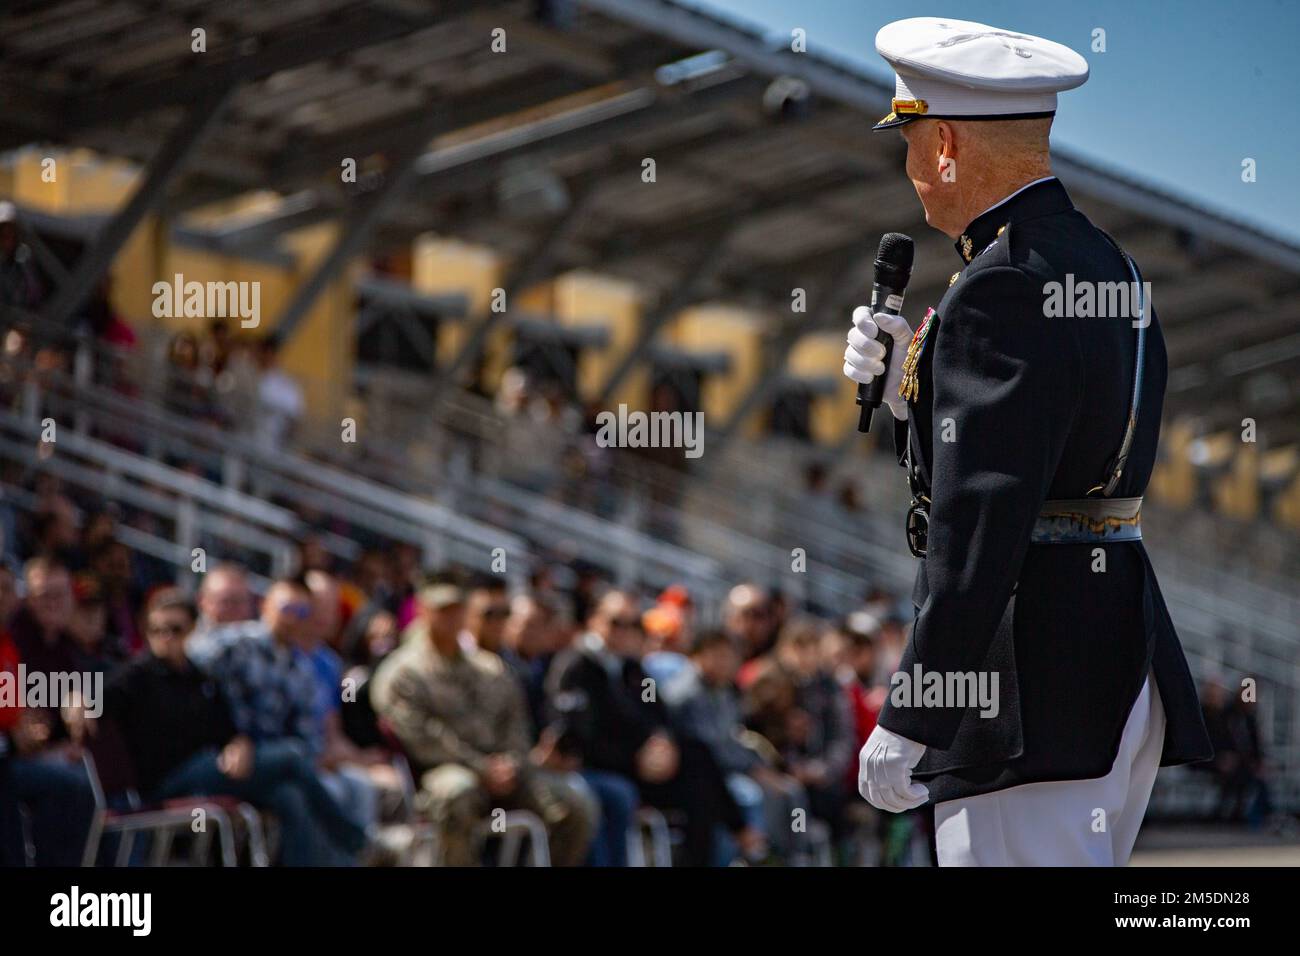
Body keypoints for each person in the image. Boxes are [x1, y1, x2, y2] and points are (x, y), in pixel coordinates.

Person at [843, 16, 1212, 866]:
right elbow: (1067, 446)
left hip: (1028, 680)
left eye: (909, 141)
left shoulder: (998, 284)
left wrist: (916, 708)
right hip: (1114, 649)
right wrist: (918, 385)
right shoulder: (1106, 263)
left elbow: (981, 520)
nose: (909, 172)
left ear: (942, 146)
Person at [370, 577, 594, 866]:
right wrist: (480, 767)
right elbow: (420, 737)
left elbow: (515, 726)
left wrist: (511, 763)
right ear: (425, 612)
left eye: (456, 609)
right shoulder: (403, 672)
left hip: (503, 772)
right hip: (441, 771)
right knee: (456, 792)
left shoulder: (490, 669)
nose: (451, 617)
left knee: (572, 805)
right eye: (442, 610)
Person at [547, 590, 757, 866]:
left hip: (642, 765)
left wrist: (661, 743)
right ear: (594, 620)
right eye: (616, 622)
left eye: (634, 624)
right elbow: (578, 731)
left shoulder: (633, 670)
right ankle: (743, 833)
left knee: (697, 763)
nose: (625, 632)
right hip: (600, 766)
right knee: (618, 794)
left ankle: (718, 850)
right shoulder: (577, 665)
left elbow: (659, 716)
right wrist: (636, 756)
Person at [189, 575, 366, 864]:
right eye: (287, 608)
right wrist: (233, 736)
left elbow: (309, 735)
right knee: (294, 760)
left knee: (293, 796)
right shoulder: (240, 643)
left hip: (273, 765)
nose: (293, 619)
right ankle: (352, 838)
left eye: (302, 612)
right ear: (265, 606)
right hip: (226, 758)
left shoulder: (302, 668)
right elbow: (189, 656)